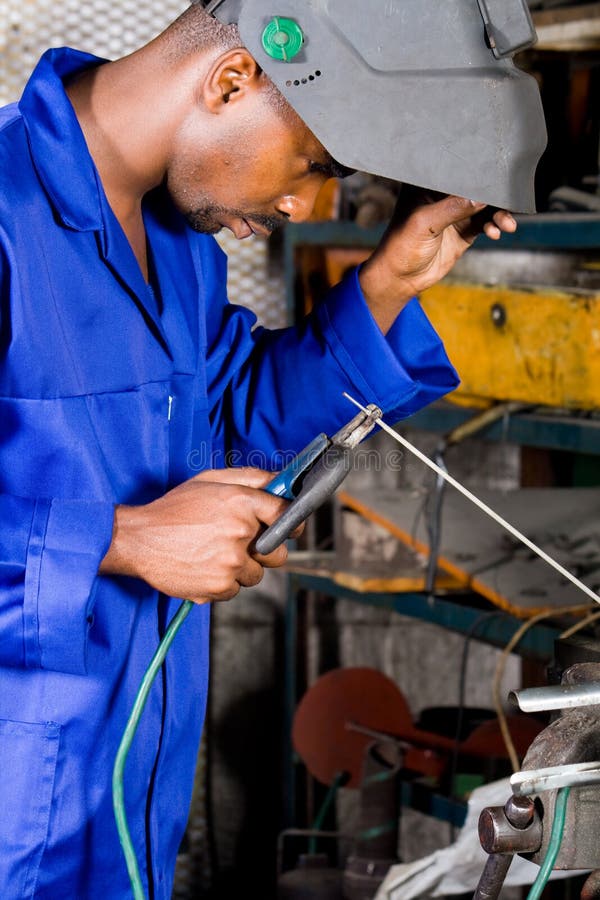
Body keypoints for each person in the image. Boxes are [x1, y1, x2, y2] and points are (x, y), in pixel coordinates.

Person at [0, 2, 518, 897]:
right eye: (313, 165)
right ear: (232, 79)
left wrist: (390, 282)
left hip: (128, 806)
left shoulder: (182, 241)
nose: (300, 203)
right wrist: (123, 540)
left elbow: (234, 424)